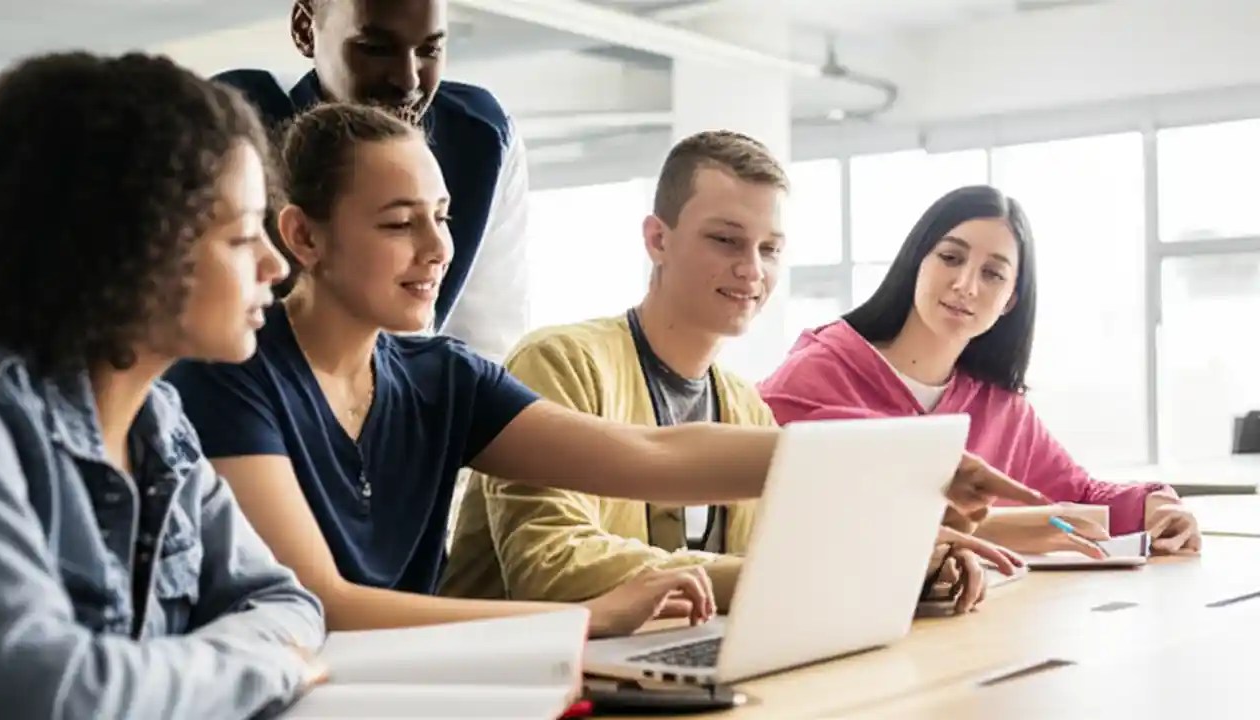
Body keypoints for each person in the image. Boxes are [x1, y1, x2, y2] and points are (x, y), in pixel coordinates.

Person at [165, 105, 1044, 636]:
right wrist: (583, 621)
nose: (440, 248)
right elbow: (330, 608)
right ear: (304, 237)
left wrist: (894, 469)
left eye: (442, 215)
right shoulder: (230, 376)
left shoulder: (441, 377)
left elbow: (650, 455)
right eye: (401, 223)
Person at [0, 52, 326, 719]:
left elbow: (288, 605)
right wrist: (267, 665)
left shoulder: (161, 425)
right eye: (241, 236)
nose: (276, 266)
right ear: (126, 246)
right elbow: (55, 693)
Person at [441, 130, 785, 610]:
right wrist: (765, 581)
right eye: (726, 240)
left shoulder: (747, 408)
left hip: (674, 664)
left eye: (769, 249)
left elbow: (788, 555)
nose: (752, 269)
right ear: (657, 239)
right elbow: (551, 564)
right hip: (531, 675)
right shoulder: (558, 362)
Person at [758, 185, 1201, 555]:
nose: (965, 285)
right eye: (951, 258)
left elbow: (1080, 495)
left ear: (1009, 301)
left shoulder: (999, 406)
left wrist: (1157, 507)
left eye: (992, 274)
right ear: (918, 260)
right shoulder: (816, 376)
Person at [215, 0, 528, 361]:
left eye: (430, 49)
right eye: (376, 49)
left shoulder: (485, 138)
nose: (407, 80)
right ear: (305, 29)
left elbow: (486, 341)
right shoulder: (237, 124)